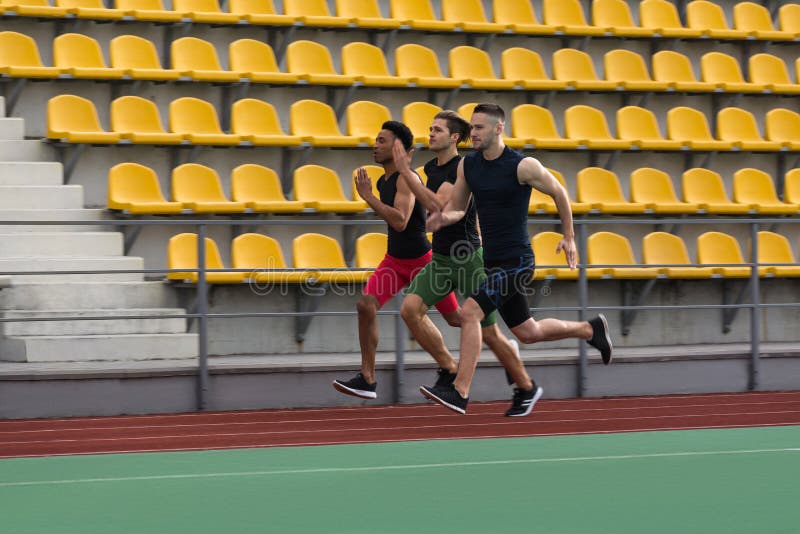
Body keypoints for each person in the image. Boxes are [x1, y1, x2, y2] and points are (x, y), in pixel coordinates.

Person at [420, 103, 613, 415]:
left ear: (498, 128)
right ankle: (590, 330)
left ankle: (460, 390)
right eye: (472, 127)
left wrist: (569, 237)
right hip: (492, 262)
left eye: (480, 127)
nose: (473, 133)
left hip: (518, 262)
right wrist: (444, 217)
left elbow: (560, 193)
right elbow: (458, 205)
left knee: (470, 313)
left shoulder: (522, 166)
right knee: (528, 333)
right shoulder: (468, 166)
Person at [394, 110, 543, 417]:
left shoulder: (463, 168)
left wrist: (405, 172)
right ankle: (449, 369)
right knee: (410, 309)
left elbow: (439, 205)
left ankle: (526, 386)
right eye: (430, 128)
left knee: (487, 332)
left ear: (454, 138)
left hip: (468, 259)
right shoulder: (429, 168)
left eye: (437, 130)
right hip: (441, 259)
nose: (431, 133)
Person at [332, 121, 460, 400]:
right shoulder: (382, 180)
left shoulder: (407, 178)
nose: (375, 145)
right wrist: (373, 195)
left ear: (399, 148)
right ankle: (367, 378)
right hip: (395, 261)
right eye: (375, 140)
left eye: (381, 141)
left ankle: (486, 350)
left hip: (424, 262)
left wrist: (369, 198)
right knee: (365, 305)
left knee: (457, 318)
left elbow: (401, 221)